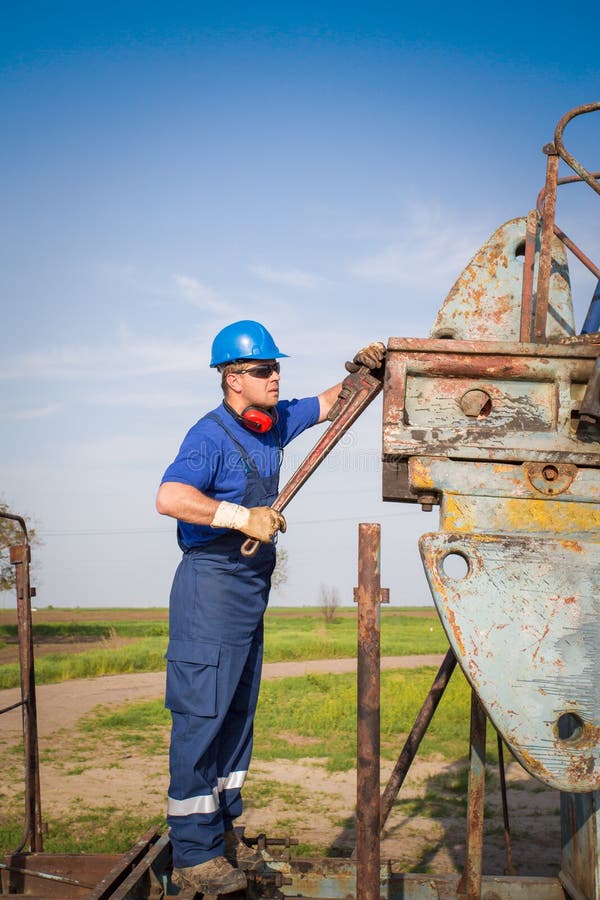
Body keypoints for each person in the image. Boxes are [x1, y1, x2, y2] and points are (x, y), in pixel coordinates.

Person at [156, 320, 385, 895]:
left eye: (277, 367)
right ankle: (193, 855)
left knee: (236, 717)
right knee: (202, 717)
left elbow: (331, 404)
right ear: (233, 378)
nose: (275, 376)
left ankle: (223, 833)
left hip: (248, 591)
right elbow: (170, 497)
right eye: (263, 369)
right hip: (210, 586)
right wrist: (241, 517)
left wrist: (368, 372)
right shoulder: (207, 437)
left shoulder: (273, 421)